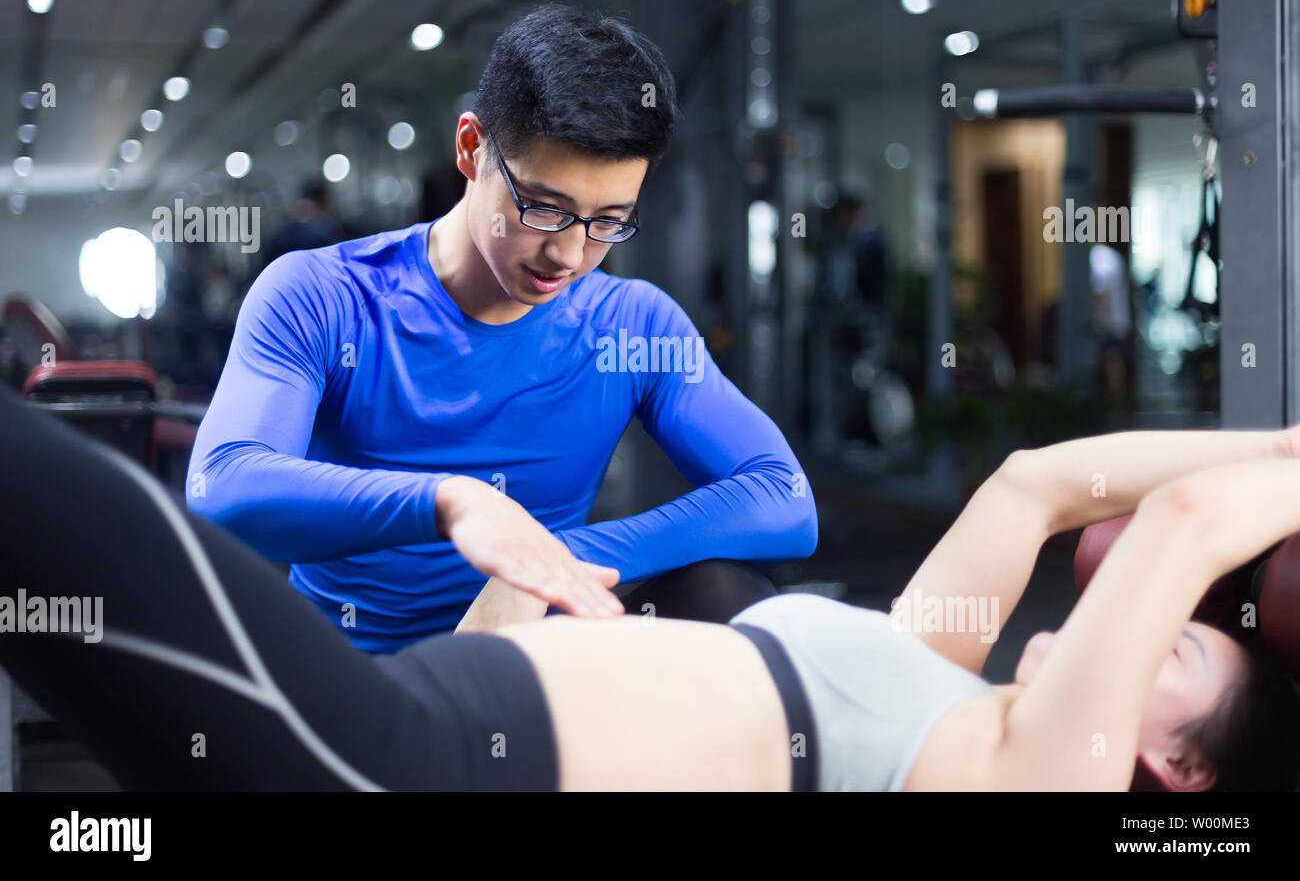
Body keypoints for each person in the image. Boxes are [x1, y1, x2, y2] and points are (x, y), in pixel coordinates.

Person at [3, 384, 1297, 791]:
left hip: (384, 765)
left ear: (1174, 768)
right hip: (404, 713)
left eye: (1175, 656)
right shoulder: (933, 673)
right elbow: (1038, 485)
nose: (1141, 628)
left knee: (33, 492)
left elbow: (1180, 524)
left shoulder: (1031, 787)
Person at [185, 4, 816, 653]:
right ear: (471, 148)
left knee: (726, 597)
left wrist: (553, 559)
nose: (569, 255)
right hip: (358, 684)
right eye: (545, 208)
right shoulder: (322, 296)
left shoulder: (633, 325)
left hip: (529, 672)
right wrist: (454, 505)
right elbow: (224, 485)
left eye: (608, 221)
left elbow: (784, 498)